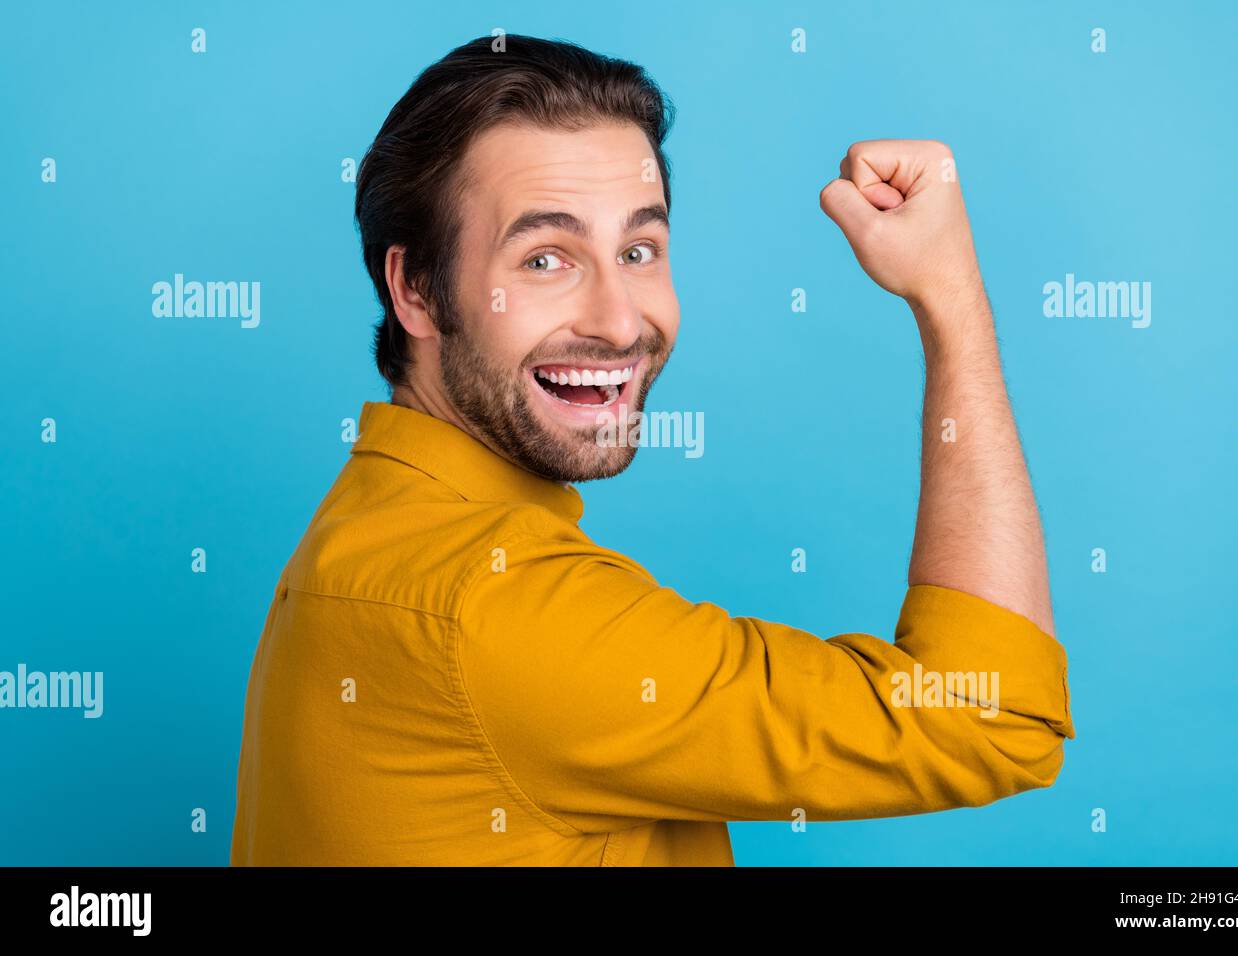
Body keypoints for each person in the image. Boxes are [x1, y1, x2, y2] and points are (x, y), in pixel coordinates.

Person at [230, 33, 1075, 866]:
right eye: (545, 258)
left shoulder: (365, 532)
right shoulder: (501, 612)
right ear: (415, 288)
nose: (621, 321)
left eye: (638, 250)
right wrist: (950, 297)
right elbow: (996, 718)